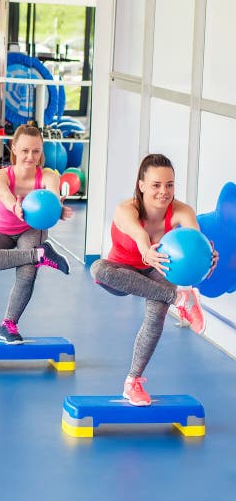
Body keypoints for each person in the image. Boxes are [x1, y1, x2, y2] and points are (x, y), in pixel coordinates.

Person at [90, 153, 218, 406]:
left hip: (159, 267)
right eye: (156, 185)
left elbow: (195, 243)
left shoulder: (182, 211)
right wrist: (146, 250)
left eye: (169, 185)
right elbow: (138, 234)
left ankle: (133, 382)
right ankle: (180, 298)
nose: (164, 192)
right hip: (121, 271)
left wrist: (208, 258)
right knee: (97, 269)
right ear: (141, 185)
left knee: (156, 312)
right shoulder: (126, 210)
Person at [0, 123, 73, 344]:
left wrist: (56, 206)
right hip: (1, 230)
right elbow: (4, 194)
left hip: (31, 229)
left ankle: (9, 325)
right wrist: (15, 206)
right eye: (25, 150)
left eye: (36, 151)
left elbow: (52, 193)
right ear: (13, 148)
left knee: (26, 273)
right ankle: (40, 255)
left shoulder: (48, 175)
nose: (30, 156)